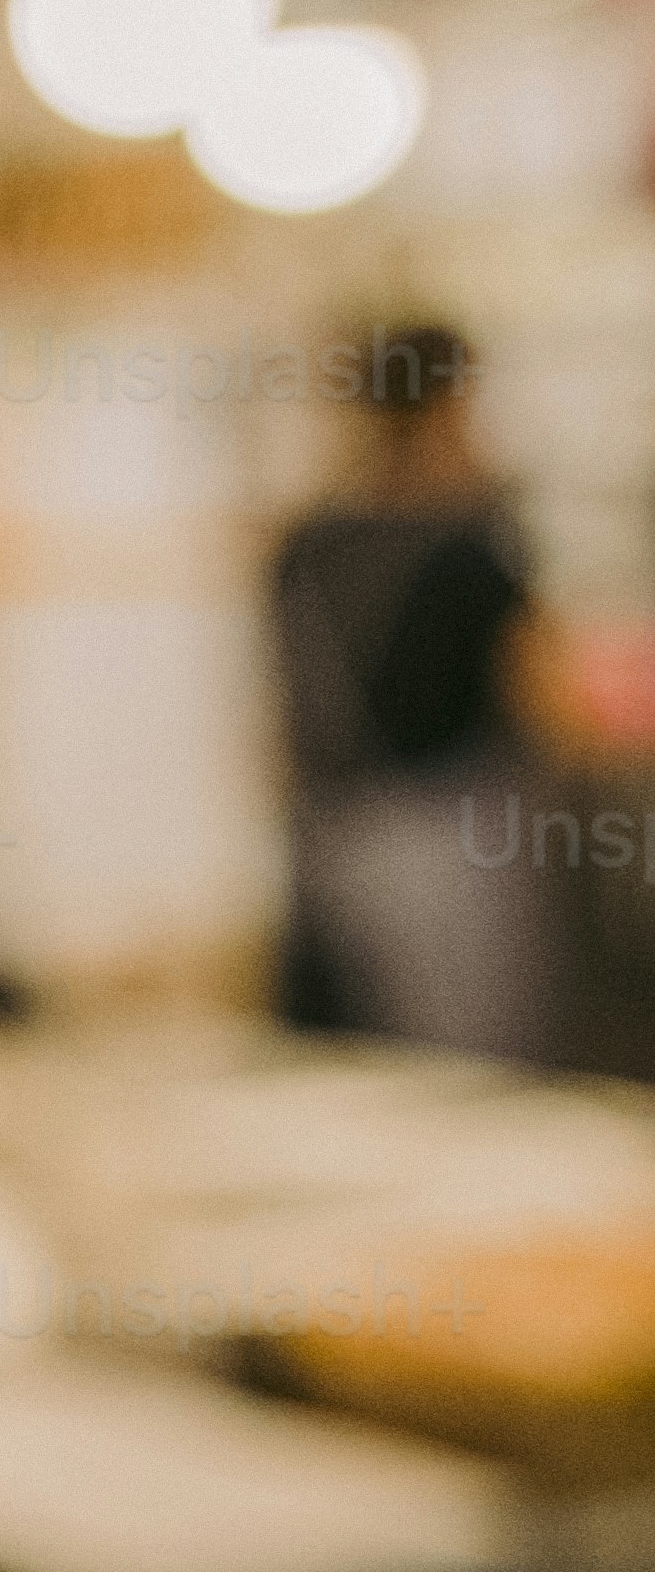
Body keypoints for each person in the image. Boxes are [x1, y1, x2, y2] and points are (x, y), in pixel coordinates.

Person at [268, 317, 564, 1058]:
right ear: (450, 402)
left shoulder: (309, 540)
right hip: (453, 843)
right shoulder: (469, 542)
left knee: (366, 1059)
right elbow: (546, 701)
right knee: (478, 1063)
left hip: (331, 836)